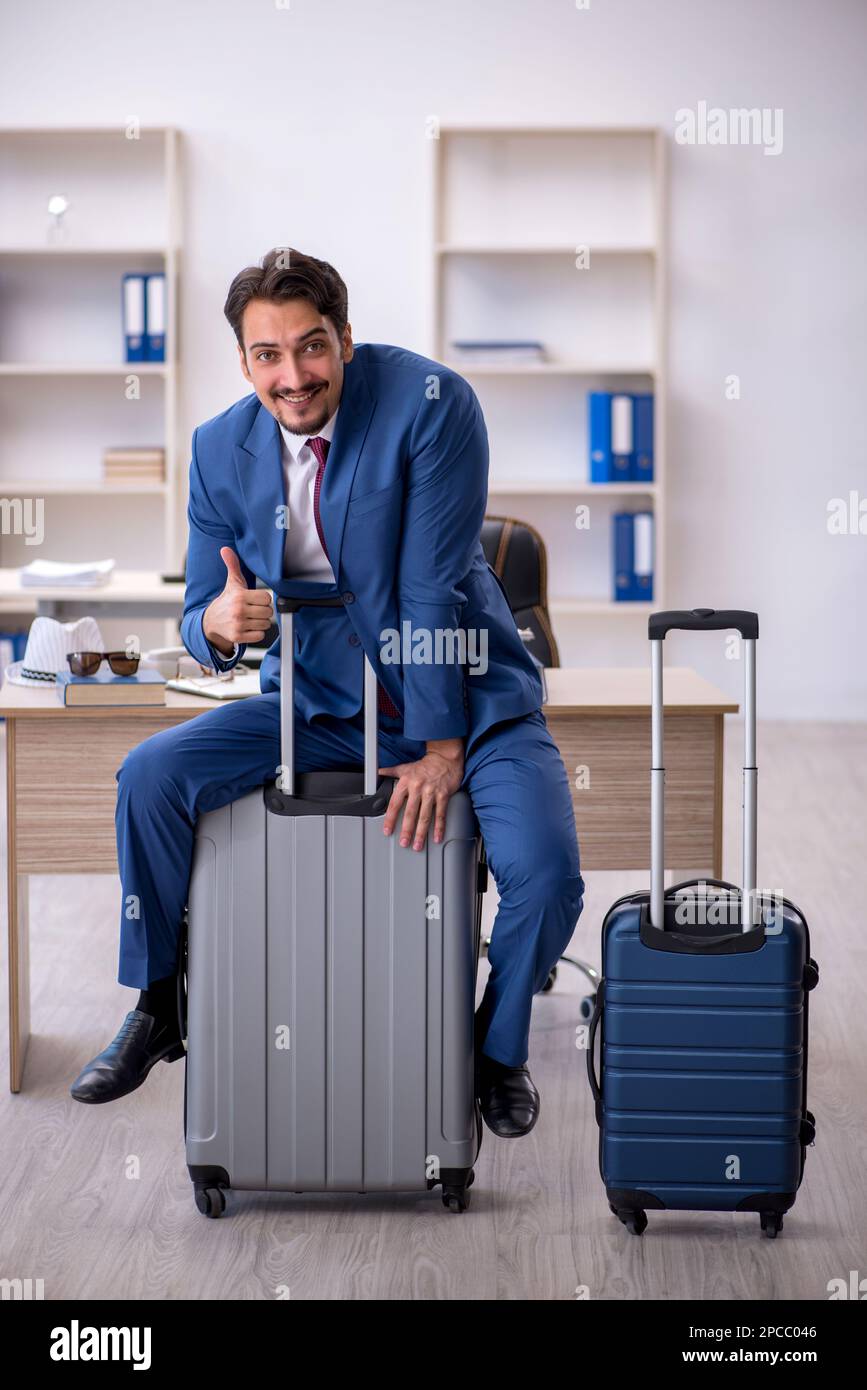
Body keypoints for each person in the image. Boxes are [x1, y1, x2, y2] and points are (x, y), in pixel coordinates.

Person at [69, 247, 585, 1138]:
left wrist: (440, 745)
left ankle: (495, 1051)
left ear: (345, 338)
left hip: (463, 701)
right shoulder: (217, 450)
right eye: (267, 355)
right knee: (149, 777)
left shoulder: (430, 405)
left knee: (543, 875)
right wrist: (219, 625)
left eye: (311, 348)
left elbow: (426, 588)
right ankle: (161, 1005)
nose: (293, 375)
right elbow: (199, 610)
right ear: (243, 362)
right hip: (313, 709)